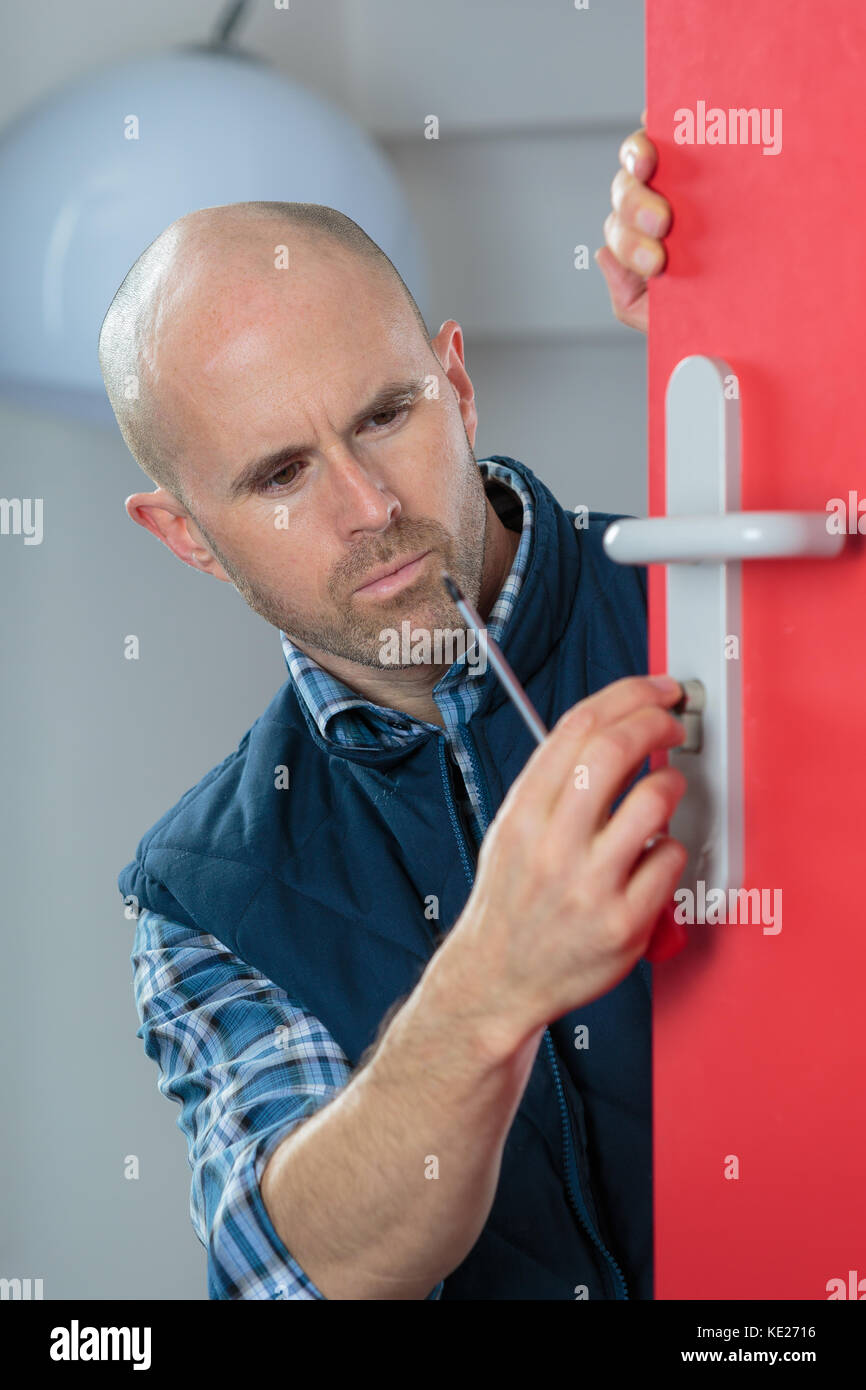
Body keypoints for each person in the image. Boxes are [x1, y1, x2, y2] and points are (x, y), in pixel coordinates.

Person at [105, 115, 682, 1300]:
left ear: (456, 382)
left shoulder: (722, 600)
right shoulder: (200, 894)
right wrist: (490, 987)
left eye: (384, 415)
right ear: (184, 537)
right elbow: (298, 1278)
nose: (368, 503)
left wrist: (808, 325)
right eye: (278, 474)